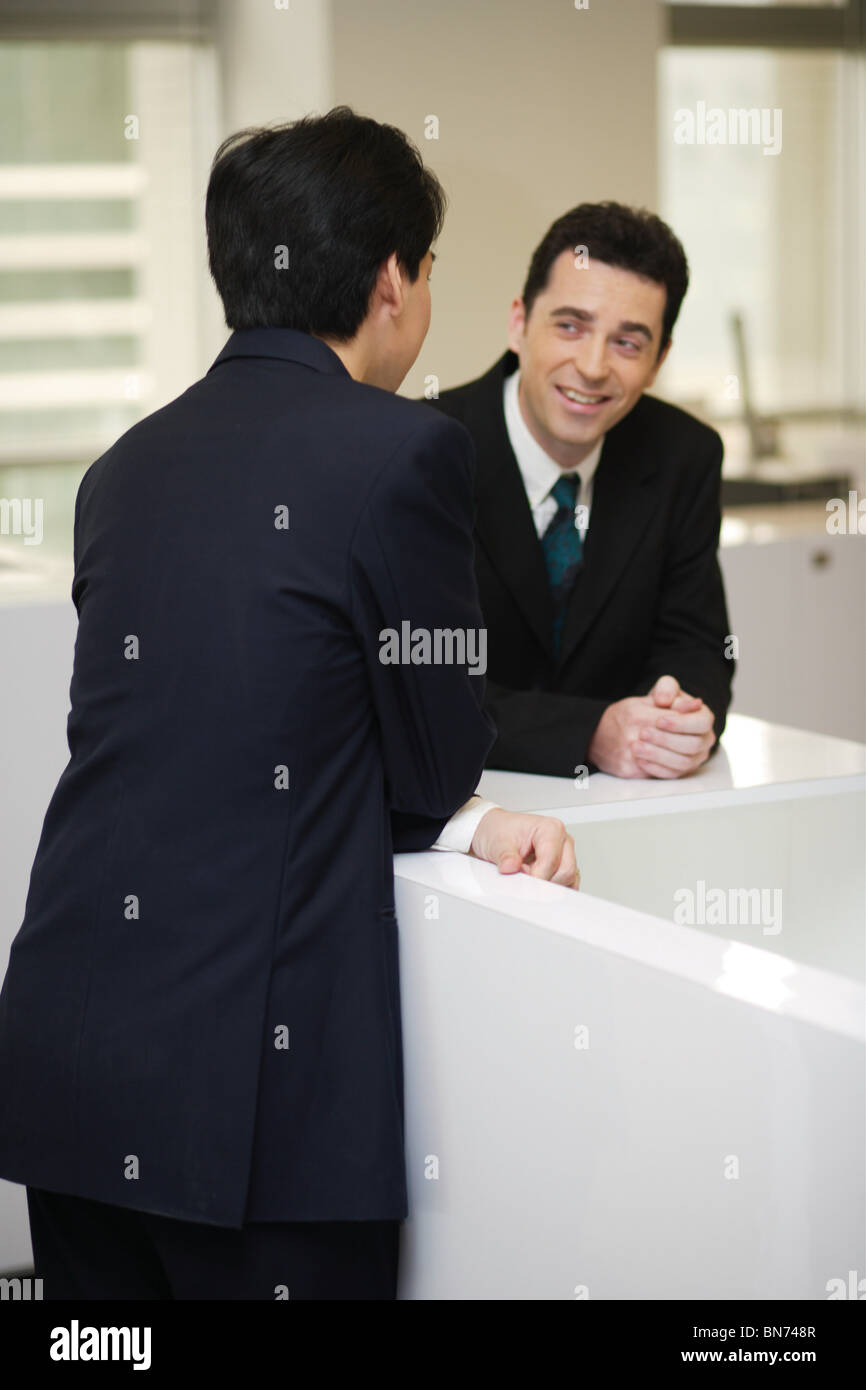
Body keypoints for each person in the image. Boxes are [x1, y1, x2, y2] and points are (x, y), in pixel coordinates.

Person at [0, 107, 579, 1302]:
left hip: (74, 1042)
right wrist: (466, 812)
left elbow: (205, 725)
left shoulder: (123, 468)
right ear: (390, 280)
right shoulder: (402, 451)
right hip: (253, 1109)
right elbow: (434, 753)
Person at [426, 202, 734, 780]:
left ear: (659, 359)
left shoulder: (683, 454)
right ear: (519, 323)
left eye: (628, 342)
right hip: (460, 815)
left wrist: (677, 715)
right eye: (571, 326)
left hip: (628, 808)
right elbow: (417, 681)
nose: (592, 367)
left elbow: (698, 646)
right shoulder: (422, 449)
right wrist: (589, 734)